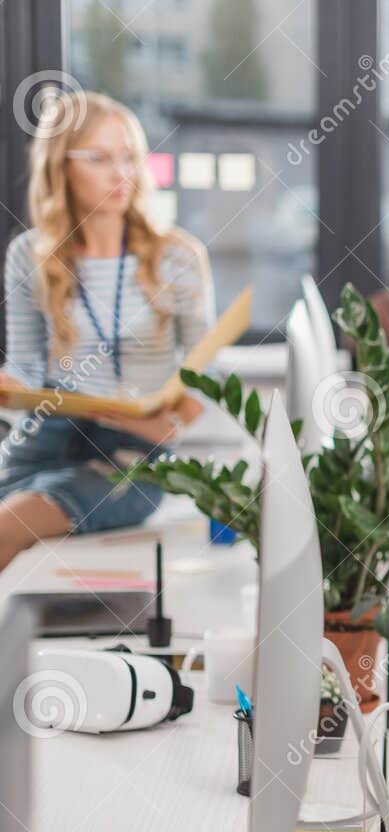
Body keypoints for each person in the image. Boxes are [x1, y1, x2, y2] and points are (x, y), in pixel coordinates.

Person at [0, 90, 214, 571]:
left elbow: (206, 375)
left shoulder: (178, 257)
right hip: (46, 434)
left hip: (131, 451)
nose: (121, 174)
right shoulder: (29, 254)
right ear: (61, 167)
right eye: (99, 159)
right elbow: (26, 367)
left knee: (6, 525)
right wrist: (11, 386)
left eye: (129, 157)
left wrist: (168, 422)